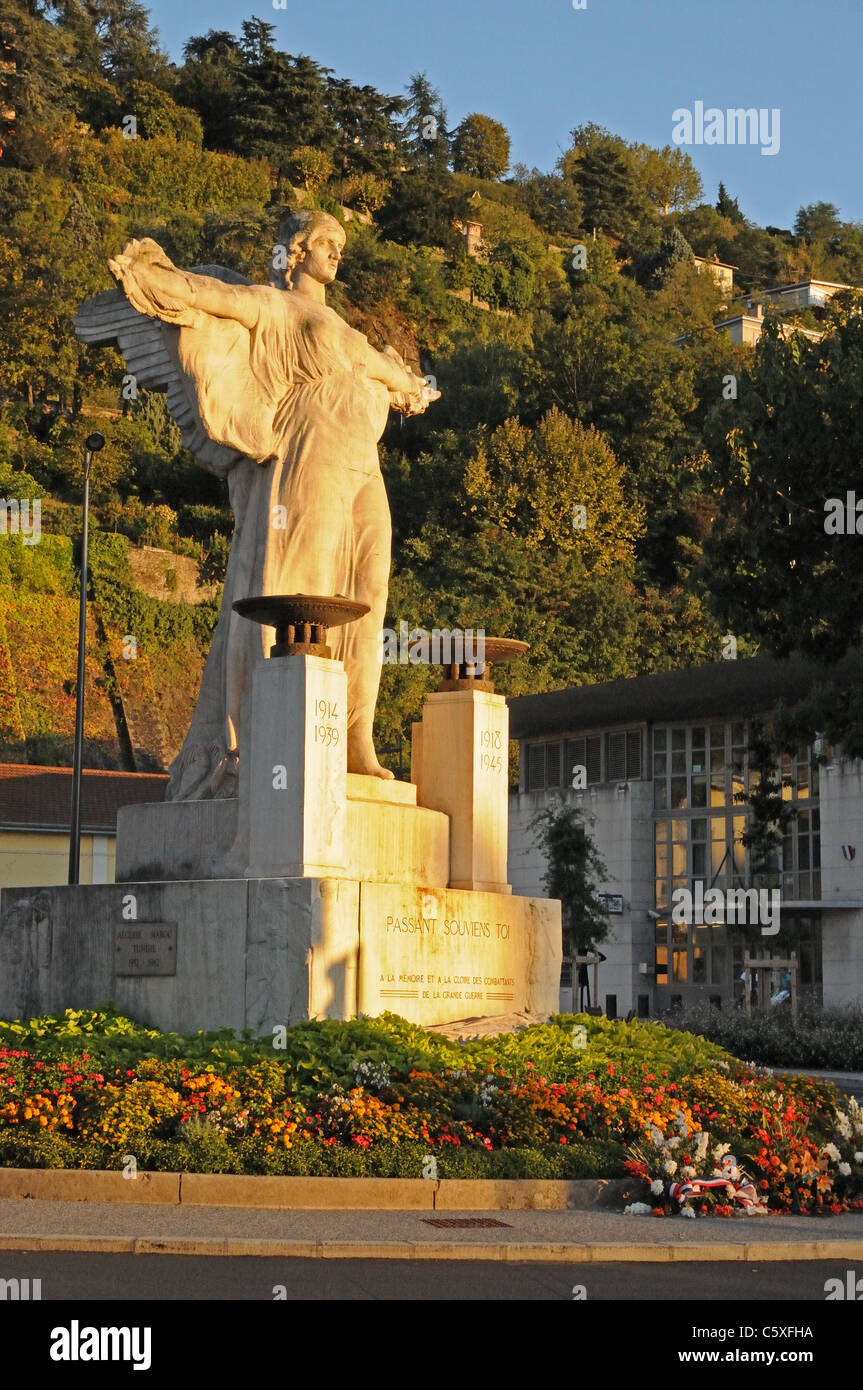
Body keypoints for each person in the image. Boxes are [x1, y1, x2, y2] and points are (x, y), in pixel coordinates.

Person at [106, 211, 439, 797]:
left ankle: (354, 734)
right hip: (310, 448)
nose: (337, 254)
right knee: (299, 582)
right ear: (297, 250)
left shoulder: (344, 327)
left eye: (341, 246)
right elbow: (208, 295)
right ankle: (261, 736)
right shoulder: (274, 305)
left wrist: (413, 388)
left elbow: (393, 376)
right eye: (328, 243)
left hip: (363, 460)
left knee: (370, 585)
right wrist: (154, 278)